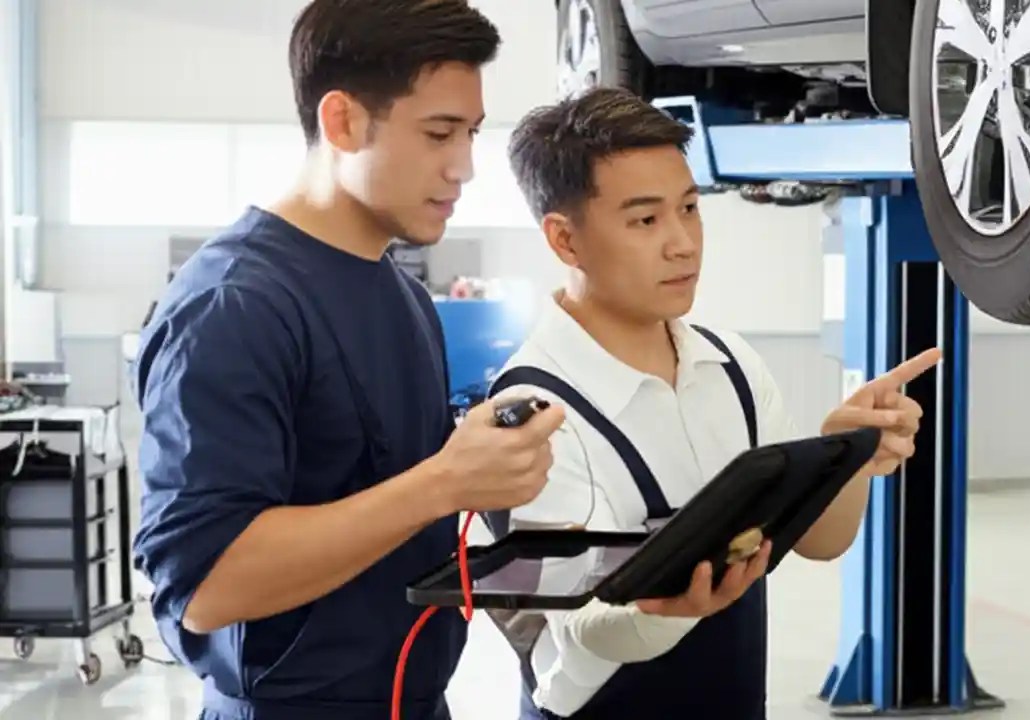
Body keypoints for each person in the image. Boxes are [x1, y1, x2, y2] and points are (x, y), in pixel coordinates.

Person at [130, 2, 565, 719]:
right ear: (342, 122)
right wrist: (441, 483)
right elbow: (207, 588)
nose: (464, 167)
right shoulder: (234, 306)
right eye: (438, 134)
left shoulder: (404, 295)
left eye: (472, 133)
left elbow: (396, 505)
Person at [488, 86, 941, 720]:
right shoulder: (530, 409)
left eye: (691, 209)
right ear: (565, 240)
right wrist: (663, 606)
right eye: (646, 220)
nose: (683, 243)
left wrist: (850, 455)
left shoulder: (729, 366)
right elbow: (569, 628)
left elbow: (817, 543)